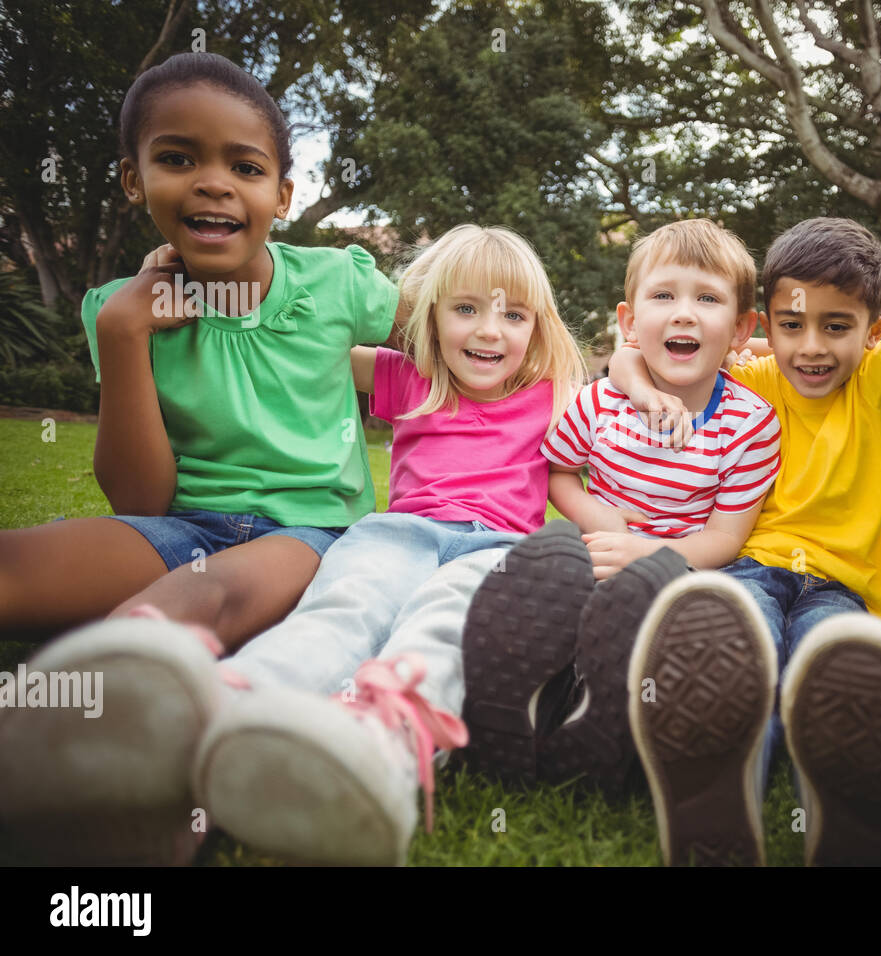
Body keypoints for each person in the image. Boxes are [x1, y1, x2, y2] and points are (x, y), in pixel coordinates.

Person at [0, 222, 586, 866]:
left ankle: (380, 748)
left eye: (514, 314)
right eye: (466, 309)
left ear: (538, 326)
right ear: (431, 317)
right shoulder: (411, 376)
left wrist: (646, 389)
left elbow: (623, 390)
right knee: (342, 610)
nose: (487, 331)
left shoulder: (556, 396)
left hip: (497, 550)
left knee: (442, 629)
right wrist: (200, 286)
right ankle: (227, 713)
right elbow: (310, 346)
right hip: (396, 533)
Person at [0, 51, 403, 646]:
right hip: (175, 531)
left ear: (282, 195)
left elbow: (451, 344)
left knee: (199, 597)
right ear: (134, 180)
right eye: (176, 158)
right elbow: (140, 501)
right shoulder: (114, 310)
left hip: (308, 536)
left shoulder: (339, 281)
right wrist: (123, 335)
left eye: (246, 167)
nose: (214, 182)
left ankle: (95, 700)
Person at [609, 218, 881, 866]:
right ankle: (721, 780)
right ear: (767, 324)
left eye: (836, 326)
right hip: (753, 565)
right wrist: (645, 390)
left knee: (827, 660)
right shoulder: (757, 378)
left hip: (842, 587)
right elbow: (636, 351)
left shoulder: (878, 382)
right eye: (791, 325)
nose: (810, 347)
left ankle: (831, 775)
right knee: (735, 639)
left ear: (875, 332)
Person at [458, 219, 782, 798]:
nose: (683, 314)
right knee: (554, 599)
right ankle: (528, 710)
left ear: (740, 330)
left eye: (706, 299)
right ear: (629, 322)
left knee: (673, 631)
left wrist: (648, 554)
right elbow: (558, 472)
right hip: (601, 556)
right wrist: (599, 519)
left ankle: (625, 723)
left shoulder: (750, 424)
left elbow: (725, 538)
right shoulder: (601, 402)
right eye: (664, 296)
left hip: (682, 569)